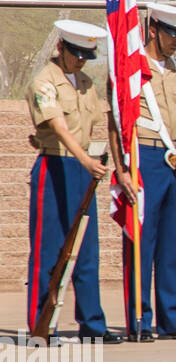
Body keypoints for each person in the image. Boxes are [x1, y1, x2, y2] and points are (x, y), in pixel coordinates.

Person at [26, 20, 120, 343]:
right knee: (48, 250)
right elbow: (61, 128)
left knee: (87, 252)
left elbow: (98, 124)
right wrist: (87, 161)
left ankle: (93, 324)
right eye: (75, 54)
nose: (80, 60)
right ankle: (40, 323)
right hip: (56, 167)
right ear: (60, 48)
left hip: (84, 169)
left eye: (85, 55)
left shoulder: (86, 84)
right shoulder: (44, 81)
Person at [115, 2, 176, 340]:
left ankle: (175, 318)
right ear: (153, 29)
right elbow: (119, 120)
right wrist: (123, 165)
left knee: (172, 244)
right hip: (145, 159)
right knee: (142, 240)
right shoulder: (134, 68)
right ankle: (140, 318)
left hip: (175, 161)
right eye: (171, 34)